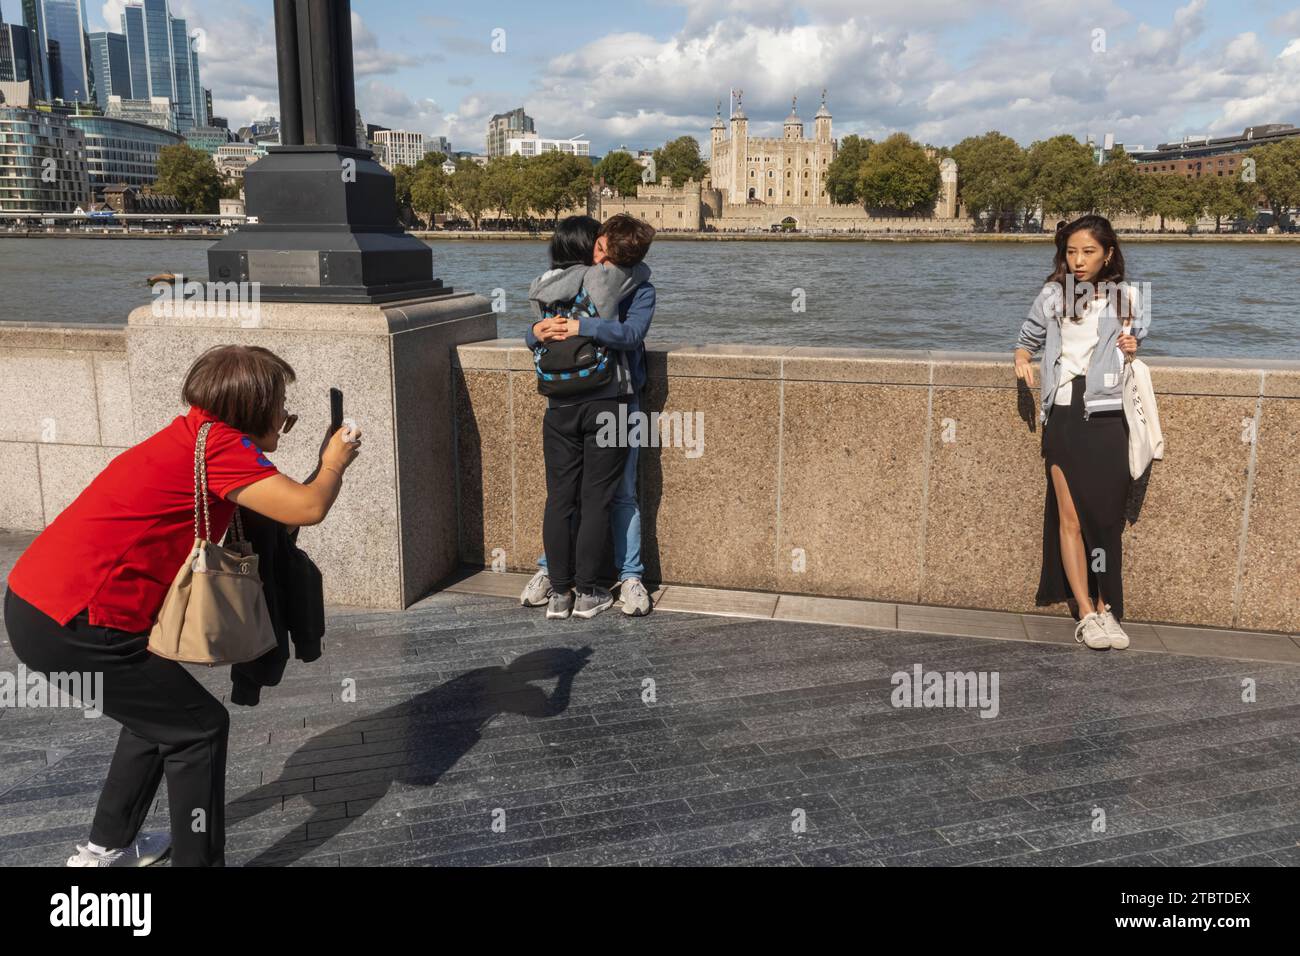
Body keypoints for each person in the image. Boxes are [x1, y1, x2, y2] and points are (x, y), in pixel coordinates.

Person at [2, 345, 362, 866]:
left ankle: (107, 849)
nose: (285, 417)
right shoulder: (221, 449)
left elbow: (277, 516)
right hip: (77, 621)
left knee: (160, 718)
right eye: (281, 405)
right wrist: (334, 463)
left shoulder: (196, 433)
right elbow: (307, 508)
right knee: (199, 729)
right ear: (254, 406)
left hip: (40, 603)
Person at [1014, 215, 1147, 650]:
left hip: (1109, 416)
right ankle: (1087, 613)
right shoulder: (1054, 295)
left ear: (1108, 253)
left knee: (1106, 520)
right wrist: (1021, 358)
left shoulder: (1125, 296)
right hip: (1065, 416)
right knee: (1069, 518)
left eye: (1088, 251)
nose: (1078, 260)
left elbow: (1134, 338)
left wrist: (1131, 345)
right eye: (1071, 252)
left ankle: (1109, 608)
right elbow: (1028, 335)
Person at [520, 214, 656, 620]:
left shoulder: (638, 288)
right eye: (596, 244)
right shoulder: (568, 282)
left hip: (622, 395)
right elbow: (538, 328)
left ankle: (629, 575)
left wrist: (585, 325)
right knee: (572, 496)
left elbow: (631, 335)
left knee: (622, 492)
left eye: (606, 246)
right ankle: (559, 575)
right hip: (576, 398)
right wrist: (533, 333)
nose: (600, 253)